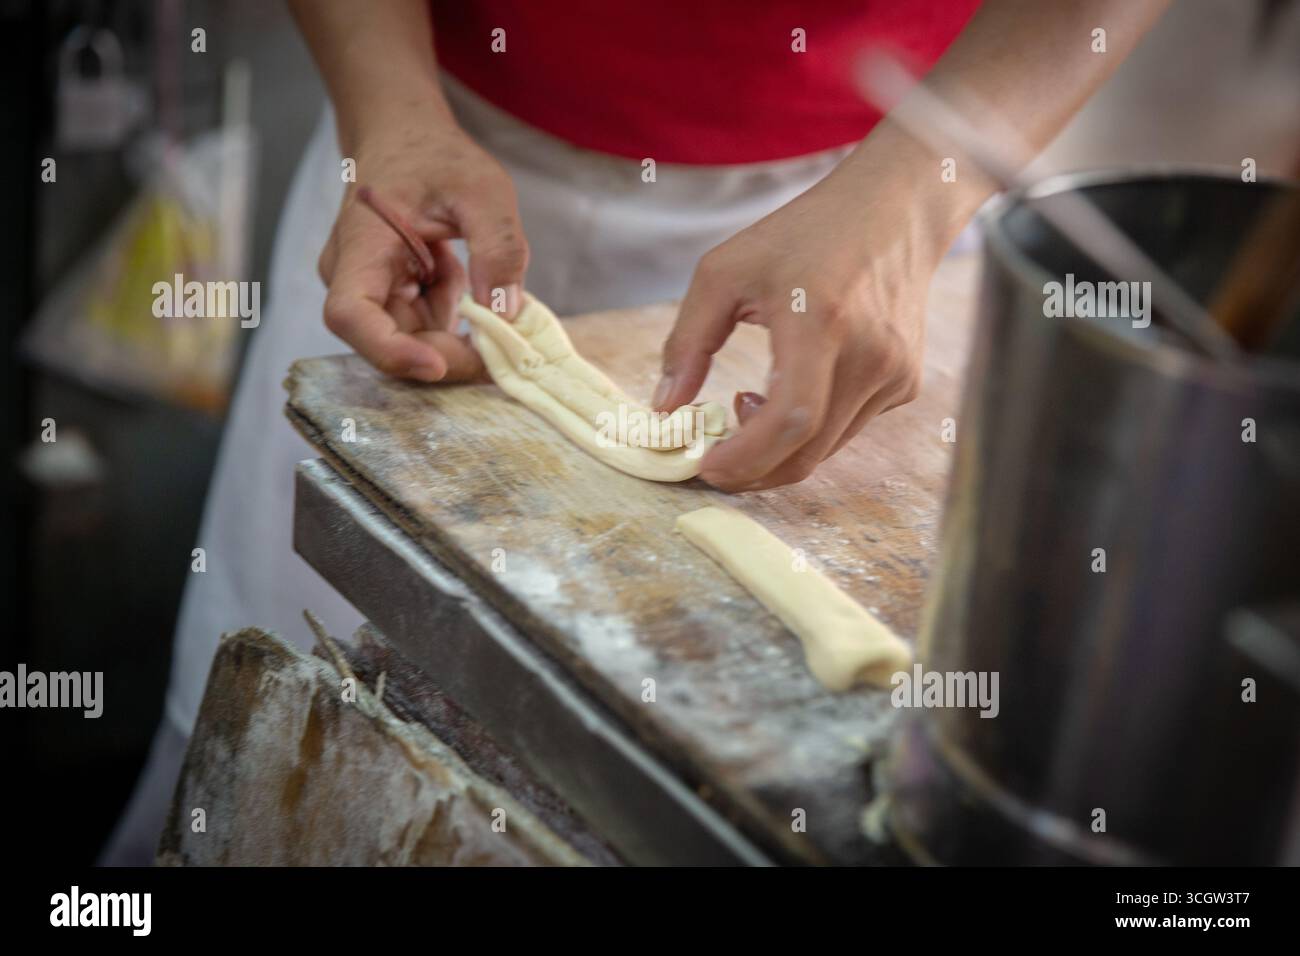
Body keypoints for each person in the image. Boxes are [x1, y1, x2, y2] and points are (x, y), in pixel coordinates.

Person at [101, 0, 1169, 864]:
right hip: (432, 176)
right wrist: (387, 115)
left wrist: (911, 204)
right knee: (276, 756)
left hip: (870, 204)